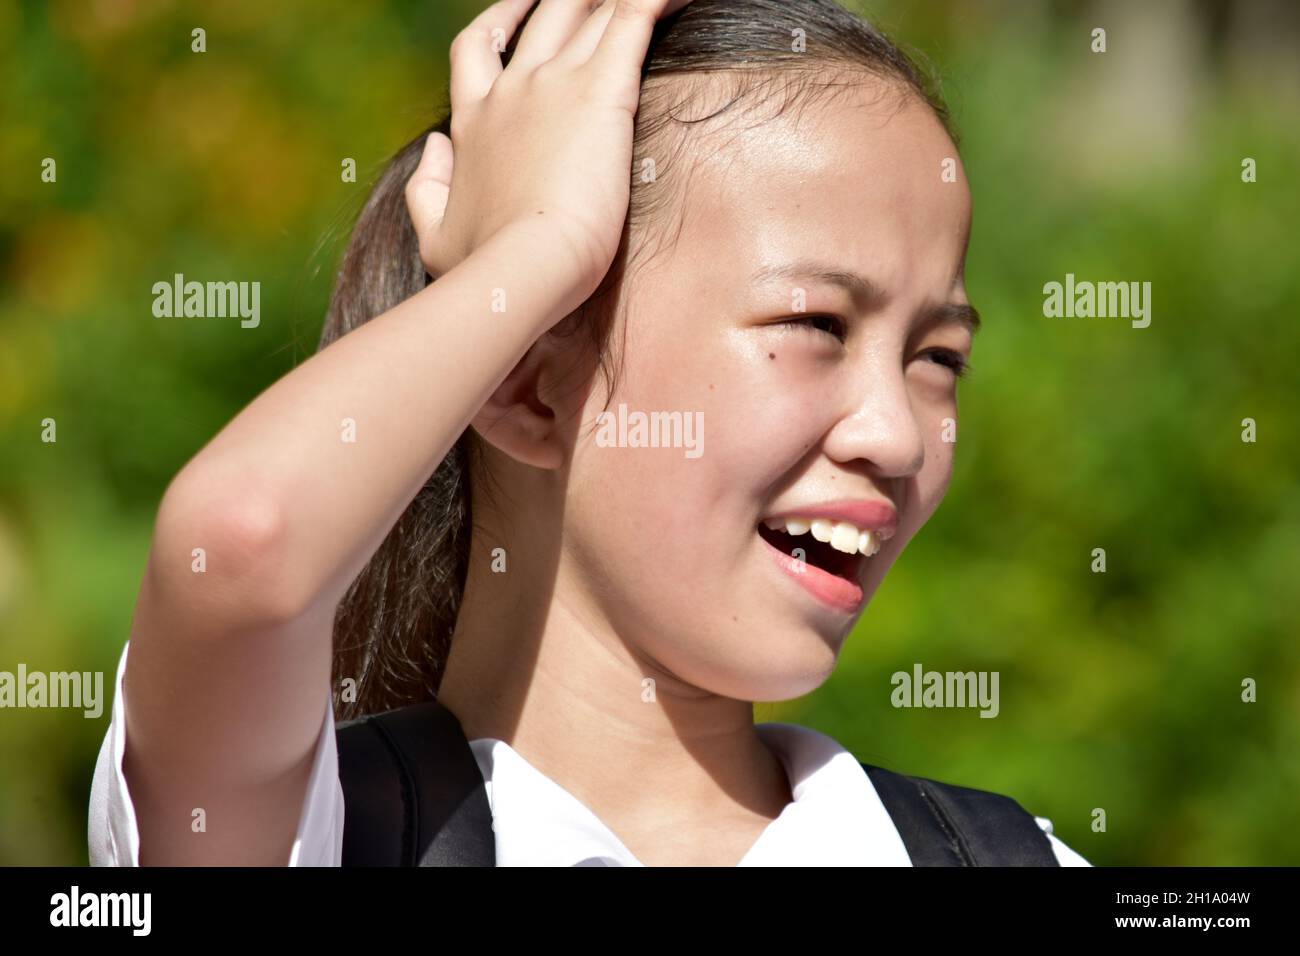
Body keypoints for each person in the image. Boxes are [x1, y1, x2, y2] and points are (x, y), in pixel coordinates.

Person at [89, 0, 1090, 867]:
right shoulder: (316, 831)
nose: (898, 435)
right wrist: (541, 245)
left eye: (938, 357)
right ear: (526, 381)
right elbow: (243, 541)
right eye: (815, 324)